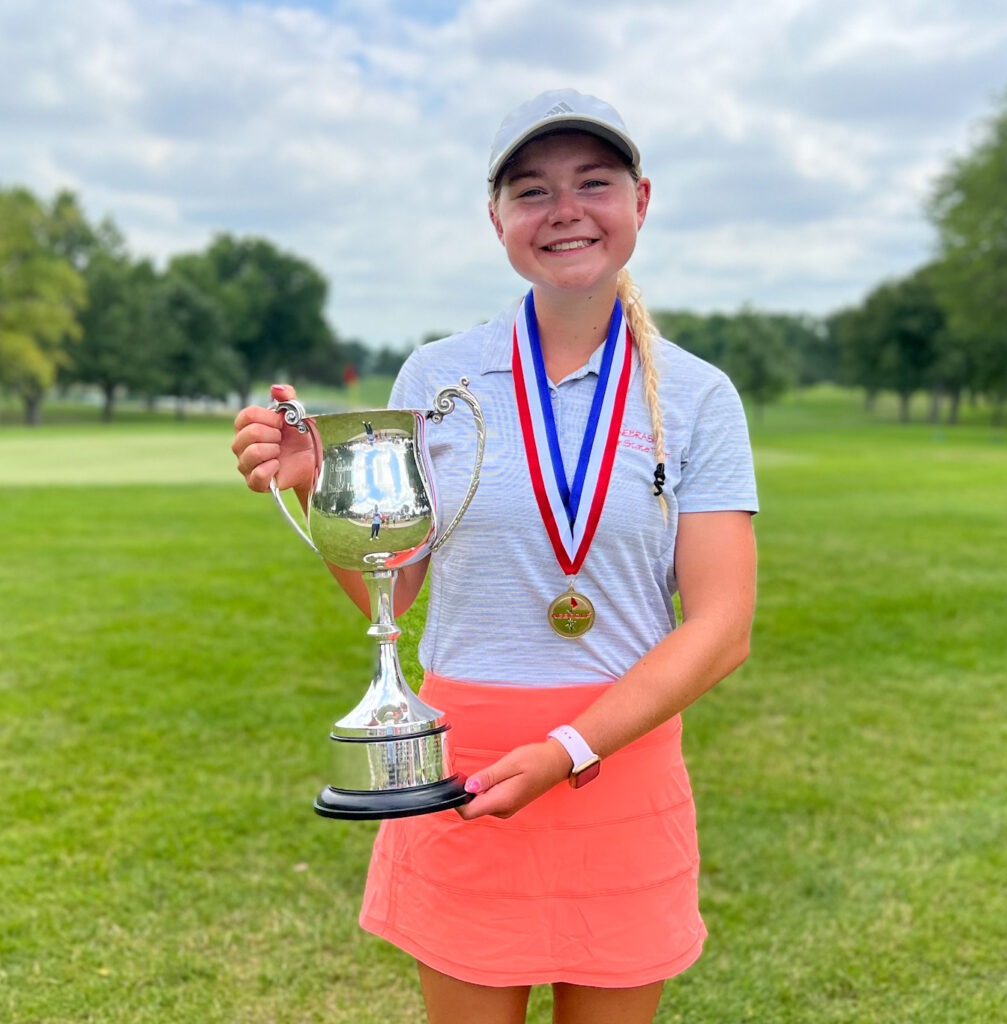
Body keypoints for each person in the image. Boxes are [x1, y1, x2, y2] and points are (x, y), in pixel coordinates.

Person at [232, 88, 758, 1024]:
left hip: (617, 761)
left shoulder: (697, 394)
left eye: (592, 183)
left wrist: (568, 748)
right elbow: (389, 594)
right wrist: (325, 494)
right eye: (531, 190)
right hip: (464, 769)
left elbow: (720, 628)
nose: (564, 210)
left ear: (641, 200)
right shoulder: (438, 379)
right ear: (497, 219)